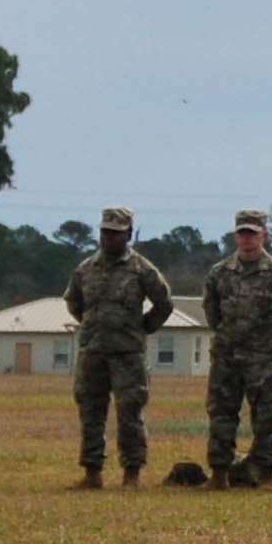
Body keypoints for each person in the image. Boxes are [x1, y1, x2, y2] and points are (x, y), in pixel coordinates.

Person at [62, 206, 171, 488]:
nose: (109, 238)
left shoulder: (142, 270)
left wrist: (141, 328)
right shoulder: (85, 269)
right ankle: (92, 471)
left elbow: (164, 304)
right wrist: (92, 326)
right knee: (90, 412)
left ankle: (131, 473)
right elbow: (74, 303)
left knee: (130, 413)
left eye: (115, 233)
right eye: (105, 232)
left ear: (128, 234)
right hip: (93, 352)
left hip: (127, 354)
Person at [199, 208, 272, 488]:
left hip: (261, 357)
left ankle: (266, 472)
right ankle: (219, 473)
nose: (247, 238)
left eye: (253, 233)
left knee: (267, 413)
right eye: (243, 233)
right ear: (236, 236)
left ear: (264, 236)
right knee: (221, 411)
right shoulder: (219, 273)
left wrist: (271, 340)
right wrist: (226, 336)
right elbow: (211, 310)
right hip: (226, 356)